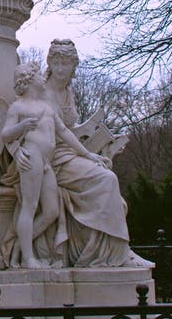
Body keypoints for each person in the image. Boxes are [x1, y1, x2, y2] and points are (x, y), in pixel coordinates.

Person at [43, 39, 151, 268]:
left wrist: (100, 146)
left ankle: (113, 251)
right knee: (107, 180)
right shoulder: (44, 93)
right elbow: (59, 133)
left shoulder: (67, 93)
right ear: (49, 63)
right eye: (57, 62)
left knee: (111, 186)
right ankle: (118, 253)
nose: (61, 69)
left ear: (74, 66)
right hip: (54, 160)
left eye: (66, 63)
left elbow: (69, 131)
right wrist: (88, 154)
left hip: (70, 155)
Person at [1, 63, 107, 268]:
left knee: (51, 211)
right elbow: (5, 135)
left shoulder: (46, 107)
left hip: (46, 162)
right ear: (30, 80)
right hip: (32, 157)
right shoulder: (18, 107)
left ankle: (21, 247)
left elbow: (65, 133)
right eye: (39, 75)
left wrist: (87, 154)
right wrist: (22, 127)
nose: (44, 77)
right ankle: (29, 258)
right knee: (30, 206)